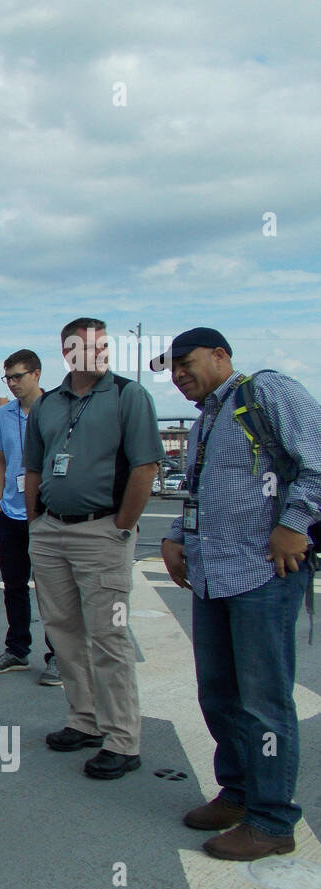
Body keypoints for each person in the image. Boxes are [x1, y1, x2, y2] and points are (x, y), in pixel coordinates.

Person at [155, 328, 321, 860]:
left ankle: (272, 820)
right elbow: (200, 491)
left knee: (264, 702)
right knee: (219, 694)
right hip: (213, 575)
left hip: (263, 574)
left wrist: (295, 523)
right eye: (172, 367)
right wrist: (178, 537)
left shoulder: (266, 393)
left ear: (221, 356)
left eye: (187, 361)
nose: (179, 374)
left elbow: (319, 459)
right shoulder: (207, 419)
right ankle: (240, 793)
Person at [23, 317, 162, 780]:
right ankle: (84, 719)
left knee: (108, 636)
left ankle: (123, 738)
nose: (101, 354)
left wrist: (121, 527)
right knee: (62, 629)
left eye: (105, 345)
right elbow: (35, 468)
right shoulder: (47, 405)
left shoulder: (129, 396)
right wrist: (37, 523)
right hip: (51, 532)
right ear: (67, 353)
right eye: (90, 347)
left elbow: (145, 467)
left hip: (101, 531)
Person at [0, 351, 60, 685]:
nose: (13, 384)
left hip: (46, 513)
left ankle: (59, 654)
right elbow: (0, 459)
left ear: (37, 374)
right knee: (14, 586)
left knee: (52, 589)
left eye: (18, 376)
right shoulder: (3, 415)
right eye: (8, 378)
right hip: (11, 512)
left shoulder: (58, 408)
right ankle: (17, 649)